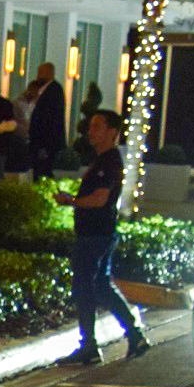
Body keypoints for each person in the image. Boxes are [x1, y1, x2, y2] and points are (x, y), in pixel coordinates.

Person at [54, 108, 150, 365]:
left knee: (85, 288)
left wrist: (71, 201)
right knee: (101, 287)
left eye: (98, 126)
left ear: (112, 132)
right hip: (98, 234)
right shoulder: (102, 160)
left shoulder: (109, 162)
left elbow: (100, 199)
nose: (91, 131)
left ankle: (89, 346)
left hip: (95, 236)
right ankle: (134, 335)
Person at [28, 62, 67, 181]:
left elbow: (49, 119)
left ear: (49, 73)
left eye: (41, 73)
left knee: (43, 172)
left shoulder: (53, 90)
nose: (38, 76)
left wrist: (43, 144)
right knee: (40, 171)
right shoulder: (47, 90)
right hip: (43, 142)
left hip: (46, 143)